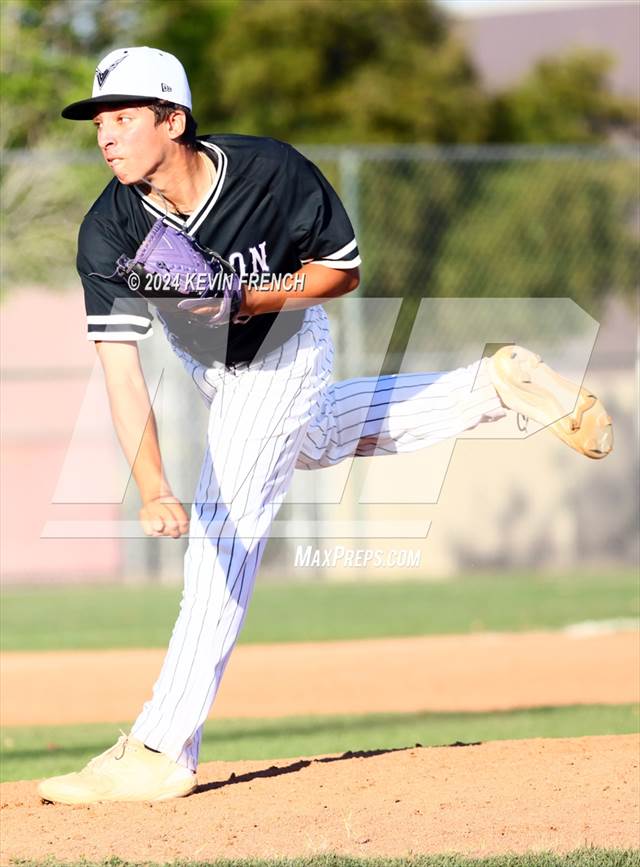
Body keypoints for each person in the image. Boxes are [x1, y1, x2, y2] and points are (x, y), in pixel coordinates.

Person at [38, 47, 612, 804]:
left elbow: (342, 271)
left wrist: (250, 297)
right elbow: (119, 366)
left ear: (172, 119)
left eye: (123, 117)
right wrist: (150, 483)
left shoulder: (268, 172)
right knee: (310, 444)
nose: (106, 135)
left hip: (284, 345)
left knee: (221, 540)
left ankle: (159, 745)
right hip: (215, 370)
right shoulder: (108, 232)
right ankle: (491, 387)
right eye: (98, 122)